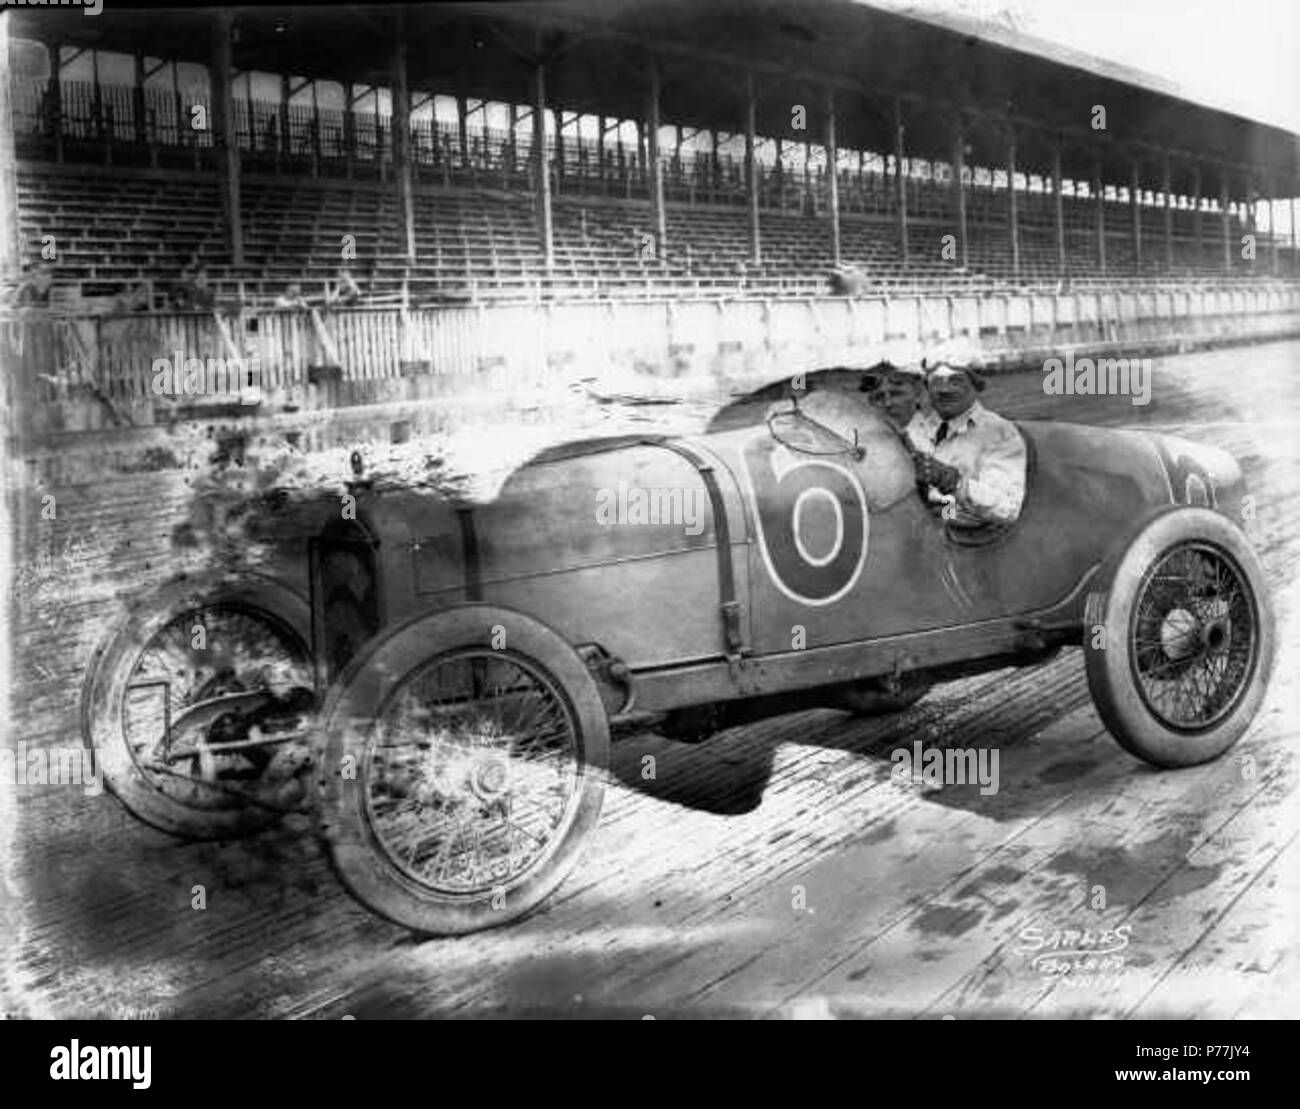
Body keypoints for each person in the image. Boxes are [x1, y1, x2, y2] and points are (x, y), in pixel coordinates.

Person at [910, 342, 1027, 526]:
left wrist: (953, 482)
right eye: (936, 382)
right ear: (927, 387)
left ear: (976, 386)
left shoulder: (998, 433)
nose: (944, 390)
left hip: (968, 543)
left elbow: (1007, 507)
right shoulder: (916, 429)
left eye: (956, 381)